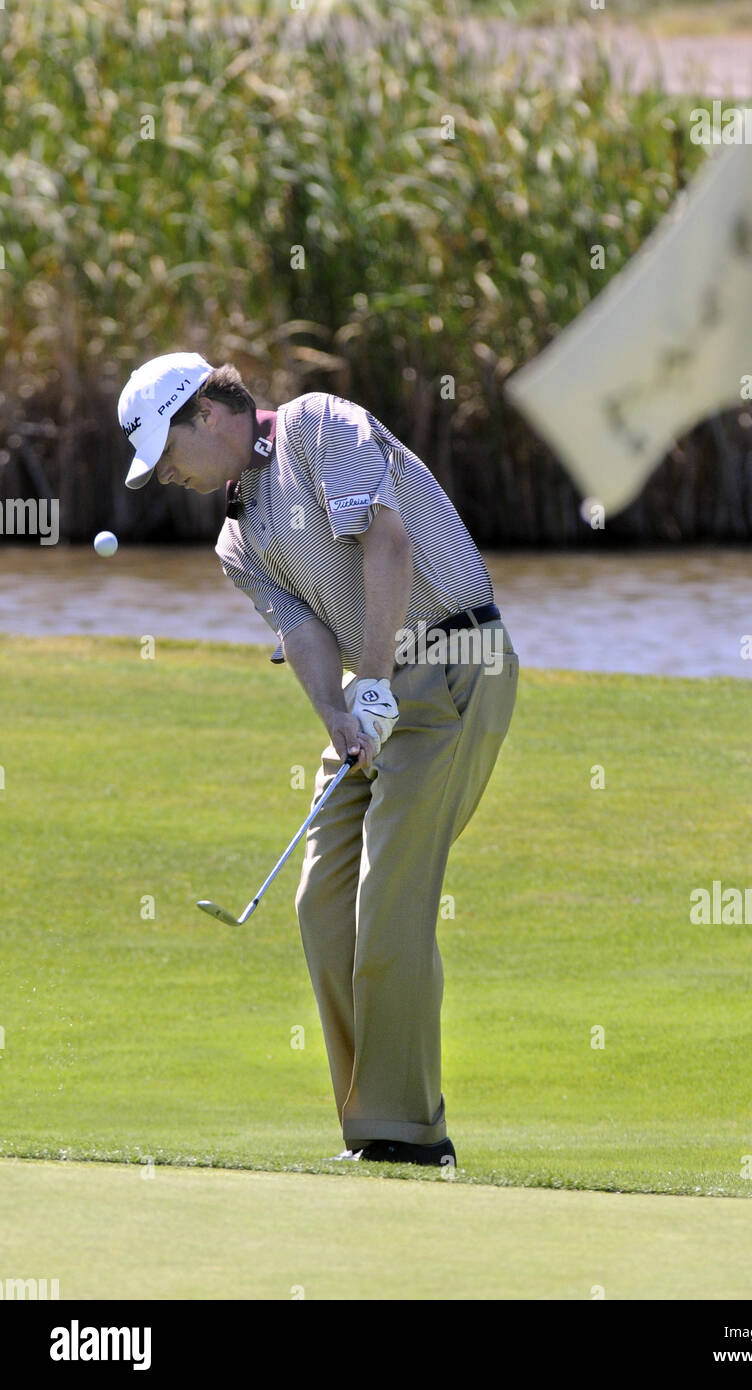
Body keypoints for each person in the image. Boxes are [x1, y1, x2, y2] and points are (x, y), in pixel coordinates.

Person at [118, 351, 518, 1167]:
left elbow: (390, 546)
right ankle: (373, 1123)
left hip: (453, 663)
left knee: (389, 896)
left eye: (167, 453)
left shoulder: (315, 425)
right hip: (373, 695)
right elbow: (301, 633)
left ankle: (408, 1137)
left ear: (209, 414)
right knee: (320, 902)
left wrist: (371, 682)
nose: (165, 476)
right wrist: (338, 712)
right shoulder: (236, 540)